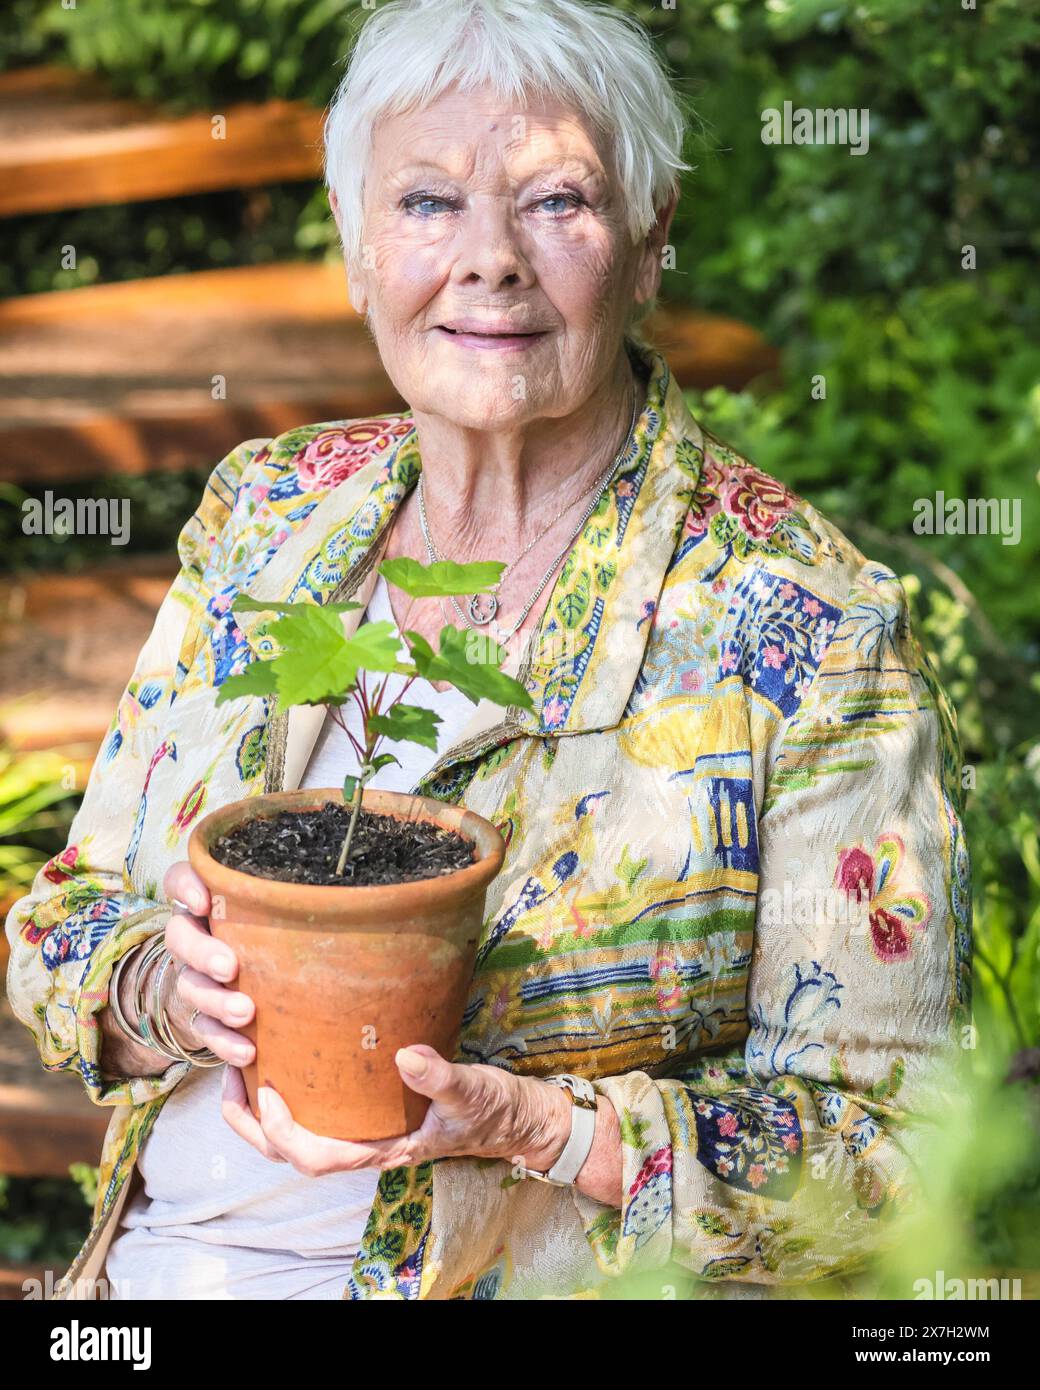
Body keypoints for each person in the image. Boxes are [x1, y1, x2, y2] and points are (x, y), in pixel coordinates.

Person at [6, 0, 971, 1301]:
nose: (489, 261)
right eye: (425, 204)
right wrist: (157, 993)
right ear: (352, 244)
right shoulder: (271, 512)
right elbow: (66, 909)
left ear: (650, 239)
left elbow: (891, 1164)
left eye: (556, 201)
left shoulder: (805, 629)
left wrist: (551, 1131)